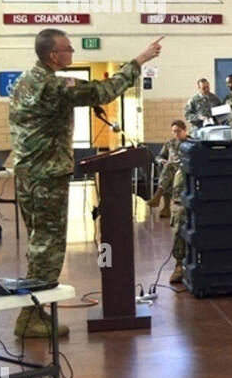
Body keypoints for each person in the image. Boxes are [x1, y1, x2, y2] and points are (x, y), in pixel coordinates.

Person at [8, 30, 163, 337]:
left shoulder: (26, 79)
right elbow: (102, 91)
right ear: (54, 55)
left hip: (29, 174)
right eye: (68, 49)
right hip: (46, 176)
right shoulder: (53, 84)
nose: (72, 52)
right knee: (48, 247)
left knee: (40, 244)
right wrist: (140, 60)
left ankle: (32, 312)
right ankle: (29, 317)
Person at [147, 119, 189, 218]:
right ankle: (165, 208)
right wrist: (161, 161)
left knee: (169, 168)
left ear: (185, 130)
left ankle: (159, 197)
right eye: (174, 131)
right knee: (169, 169)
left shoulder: (191, 142)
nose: (176, 134)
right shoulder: (170, 143)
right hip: (172, 170)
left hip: (185, 169)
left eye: (178, 131)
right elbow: (159, 156)